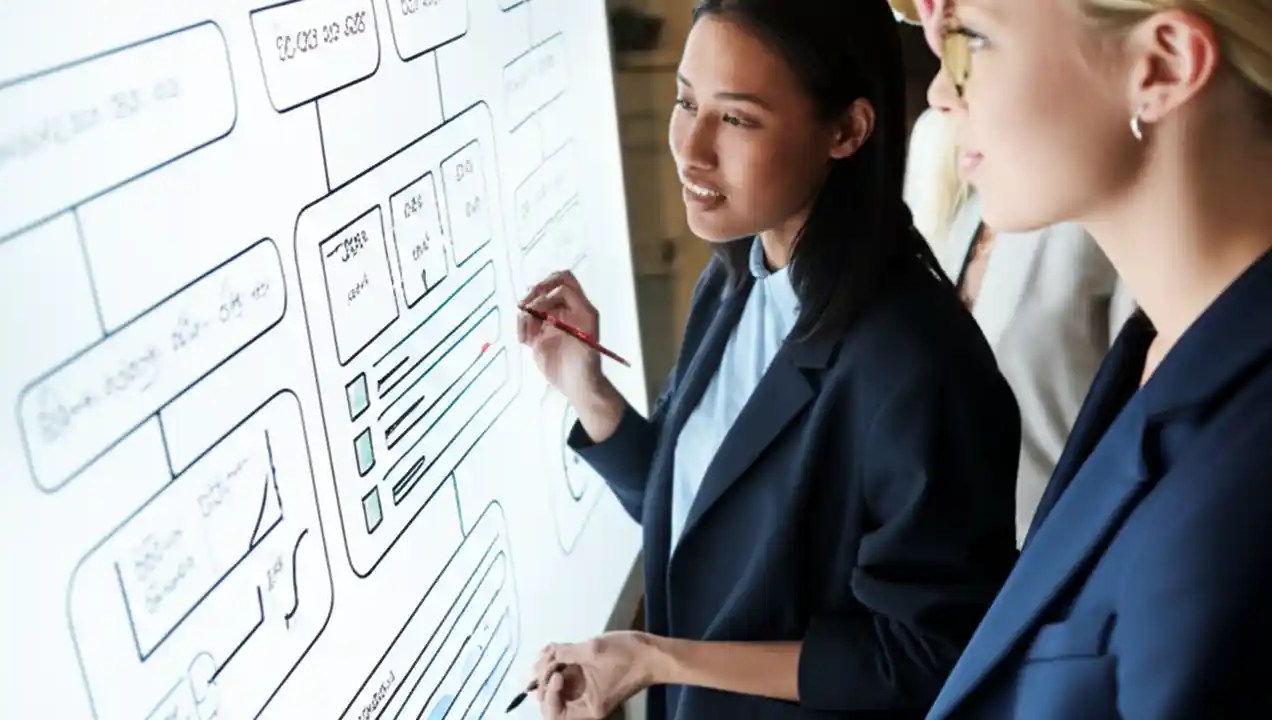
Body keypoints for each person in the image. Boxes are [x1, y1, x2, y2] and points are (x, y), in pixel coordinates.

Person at [516, 1, 1021, 718]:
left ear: (846, 130)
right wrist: (589, 394)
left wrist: (661, 658)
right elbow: (711, 523)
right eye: (686, 101)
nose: (691, 148)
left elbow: (926, 659)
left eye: (737, 118)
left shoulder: (916, 364)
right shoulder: (734, 279)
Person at [901, 0, 1272, 716]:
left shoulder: (1245, 482)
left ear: (1160, 65)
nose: (942, 91)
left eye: (971, 41)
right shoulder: (1157, 348)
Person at [902, 99, 1137, 545]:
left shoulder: (1095, 223)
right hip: (955, 545)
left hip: (1062, 543)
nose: (941, 93)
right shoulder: (966, 214)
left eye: (976, 45)